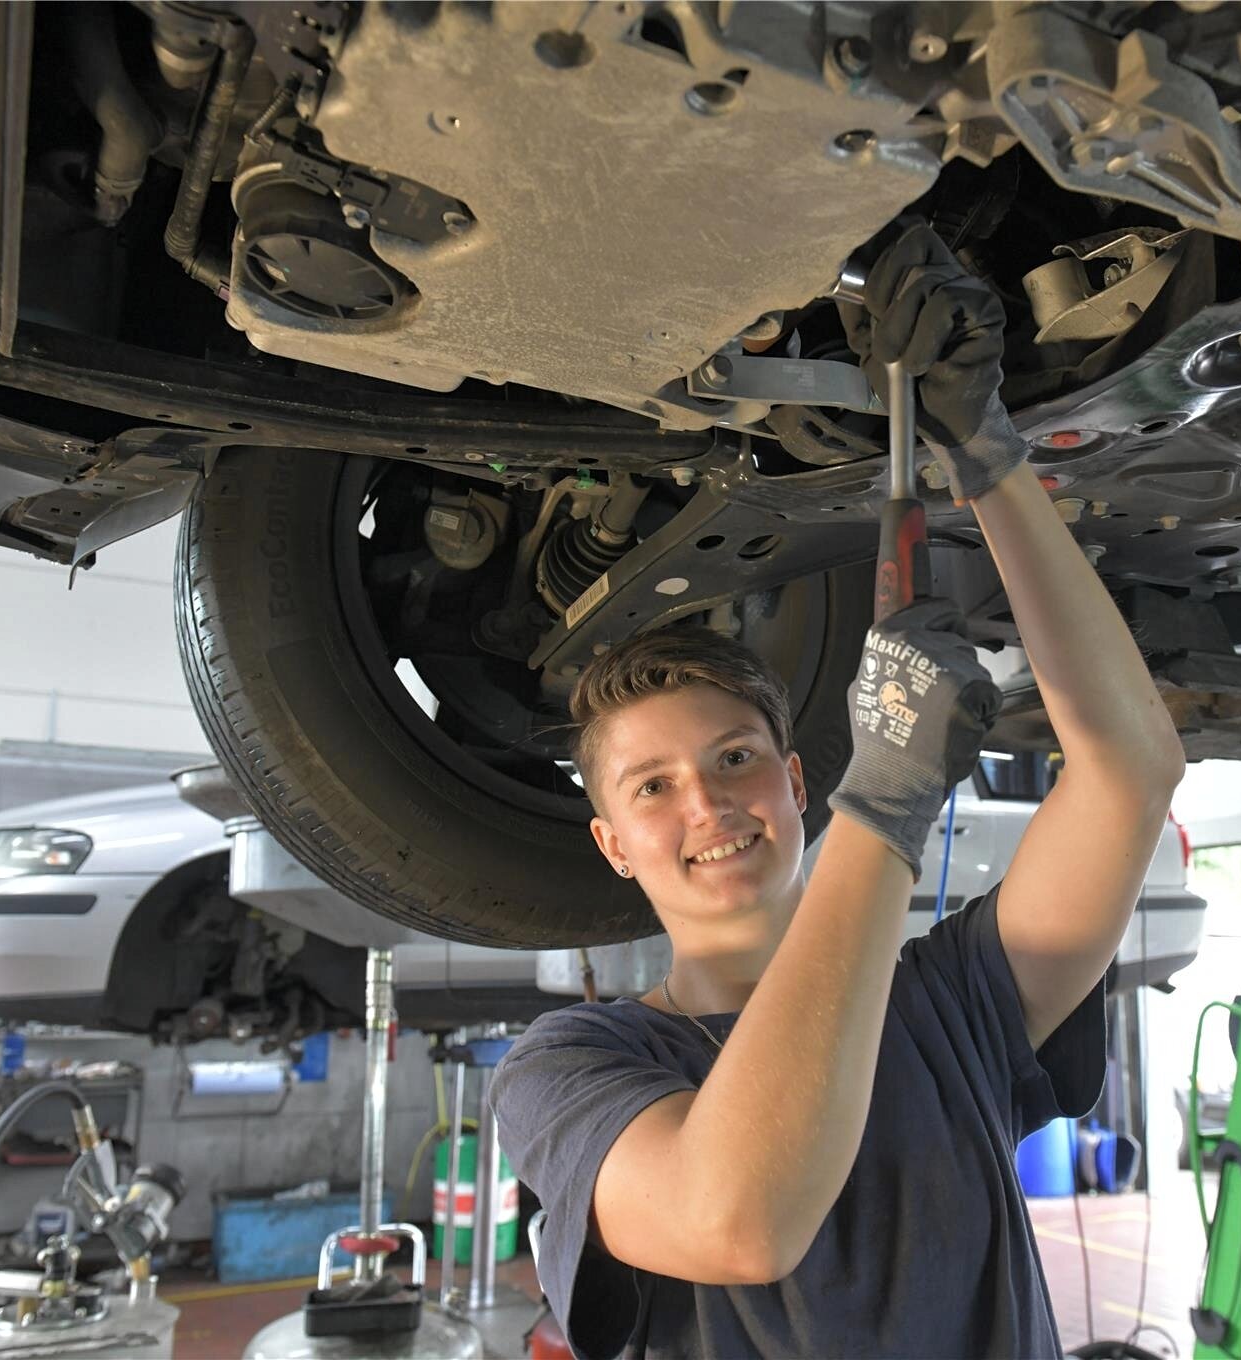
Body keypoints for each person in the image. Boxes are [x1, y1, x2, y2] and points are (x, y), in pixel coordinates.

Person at [490, 225, 1187, 1358]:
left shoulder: (949, 1000)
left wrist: (987, 451)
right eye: (653, 787)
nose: (709, 807)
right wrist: (889, 803)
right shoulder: (573, 1068)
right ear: (613, 843)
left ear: (796, 780)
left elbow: (1132, 768)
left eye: (733, 759)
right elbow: (739, 1218)